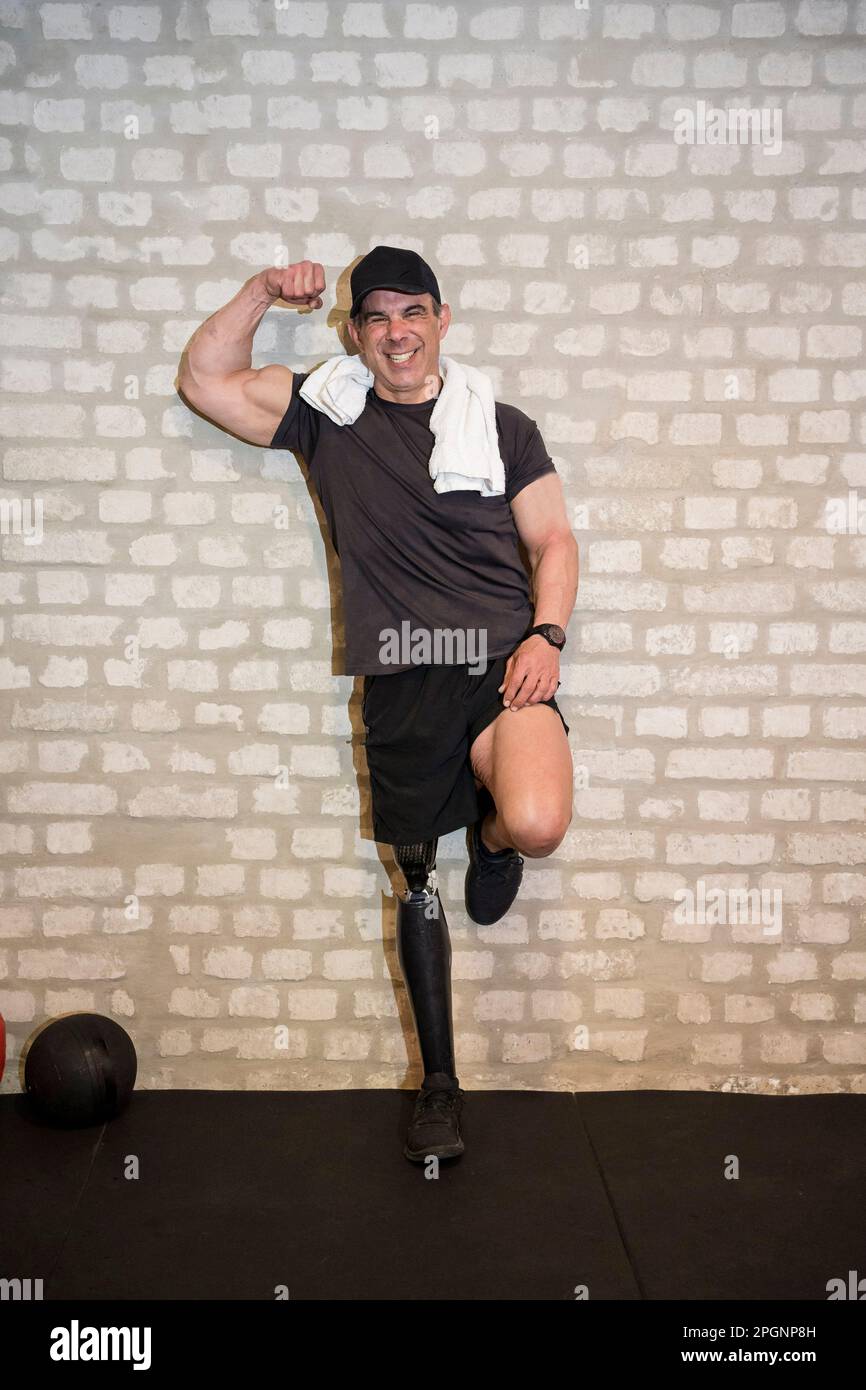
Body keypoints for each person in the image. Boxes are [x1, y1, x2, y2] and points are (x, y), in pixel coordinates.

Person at [178, 247, 579, 1163]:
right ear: (355, 332)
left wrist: (546, 637)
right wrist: (261, 293)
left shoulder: (503, 425)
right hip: (399, 673)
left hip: (498, 665)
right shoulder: (328, 414)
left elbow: (553, 538)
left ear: (442, 319)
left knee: (539, 821)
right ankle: (440, 1085)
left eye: (413, 314)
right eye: (376, 318)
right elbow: (205, 380)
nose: (396, 333)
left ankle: (489, 837)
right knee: (411, 873)